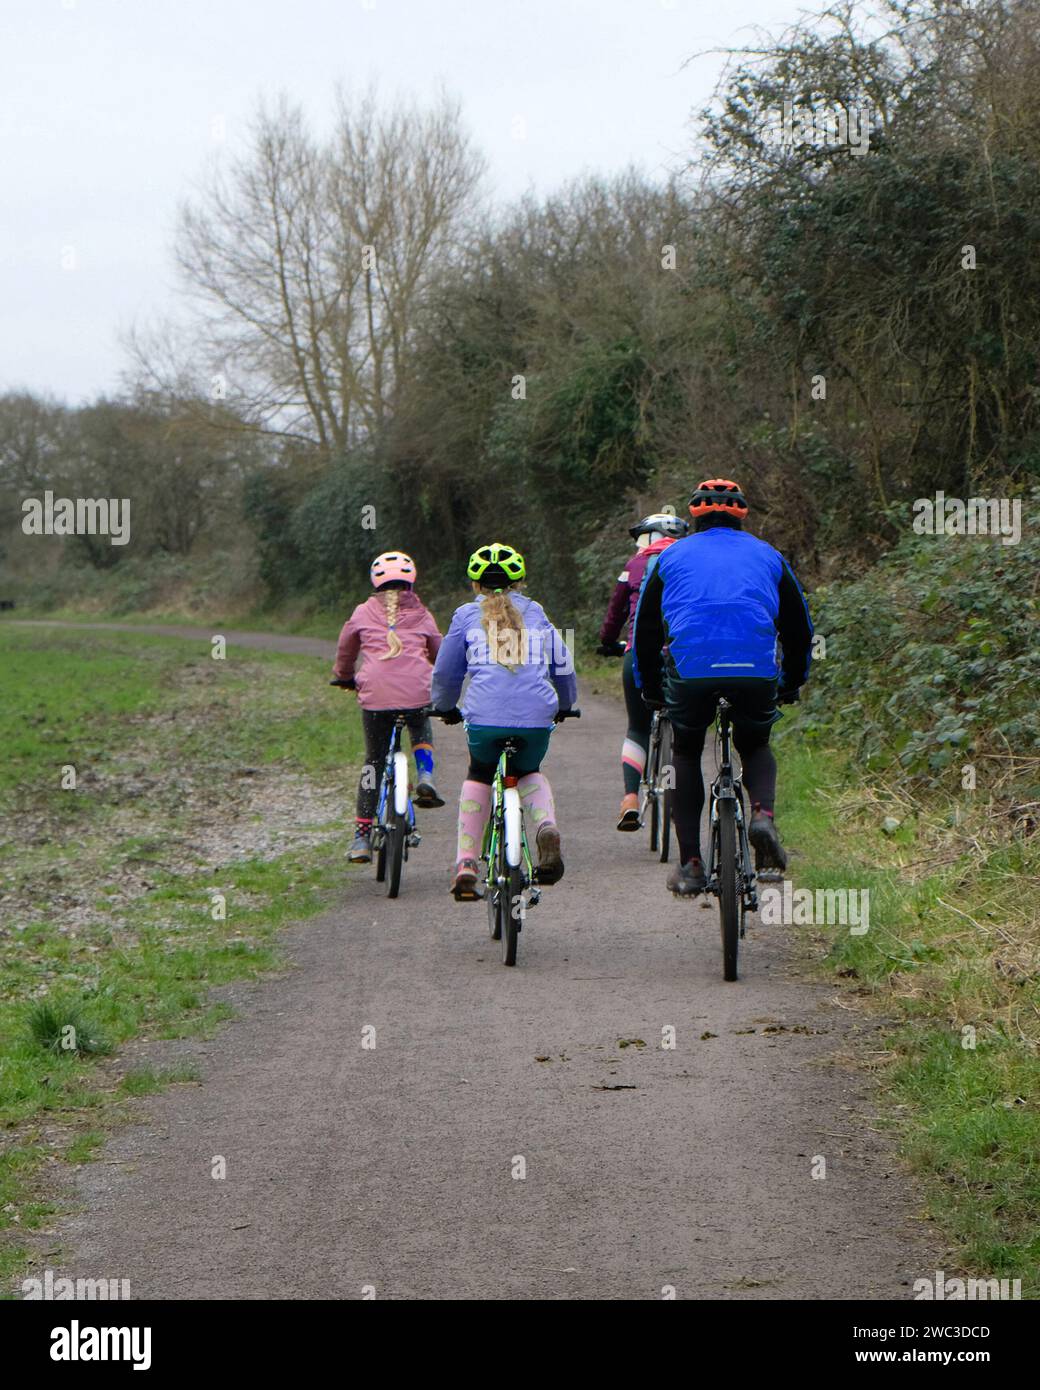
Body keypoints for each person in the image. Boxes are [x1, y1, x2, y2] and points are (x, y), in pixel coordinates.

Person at [633, 479, 813, 896]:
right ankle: (763, 815)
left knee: (686, 750)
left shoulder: (670, 557)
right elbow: (800, 629)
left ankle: (692, 864)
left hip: (692, 672)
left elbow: (643, 632)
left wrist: (650, 688)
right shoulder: (768, 555)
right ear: (742, 517)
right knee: (754, 744)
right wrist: (792, 680)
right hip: (754, 671)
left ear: (694, 518)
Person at [430, 542, 578, 901]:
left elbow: (447, 673)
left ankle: (466, 862)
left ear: (475, 584)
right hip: (535, 718)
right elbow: (563, 666)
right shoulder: (538, 613)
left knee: (480, 772)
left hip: (485, 719)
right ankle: (545, 826)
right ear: (520, 582)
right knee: (529, 771)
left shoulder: (466, 615)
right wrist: (566, 703)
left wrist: (445, 706)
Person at [331, 551, 444, 864]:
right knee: (420, 725)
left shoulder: (363, 611)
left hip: (376, 697)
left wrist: (343, 677)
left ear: (376, 583)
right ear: (410, 582)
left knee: (374, 761)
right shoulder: (422, 612)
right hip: (416, 692)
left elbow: (346, 648)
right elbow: (438, 650)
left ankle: (361, 838)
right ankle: (425, 776)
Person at [597, 511, 689, 830]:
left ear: (646, 539)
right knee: (682, 733)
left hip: (637, 653)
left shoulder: (634, 566)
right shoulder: (690, 564)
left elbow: (615, 612)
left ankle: (630, 799)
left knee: (638, 726)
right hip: (681, 656)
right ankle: (680, 797)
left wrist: (607, 642)